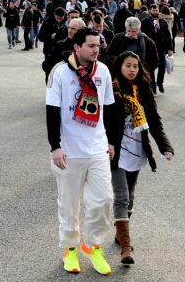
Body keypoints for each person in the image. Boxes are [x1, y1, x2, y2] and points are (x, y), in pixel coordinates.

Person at [46, 27, 115, 275]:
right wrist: (55, 146)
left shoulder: (103, 71)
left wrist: (111, 141)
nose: (97, 50)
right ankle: (70, 249)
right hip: (69, 150)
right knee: (69, 204)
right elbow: (52, 111)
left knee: (104, 200)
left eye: (98, 46)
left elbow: (110, 108)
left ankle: (92, 245)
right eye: (91, 46)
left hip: (97, 148)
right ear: (77, 47)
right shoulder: (60, 72)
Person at [103, 51, 174, 266]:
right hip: (116, 151)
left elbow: (154, 121)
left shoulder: (144, 90)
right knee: (122, 196)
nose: (132, 69)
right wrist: (107, 142)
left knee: (131, 195)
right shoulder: (111, 89)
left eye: (135, 66)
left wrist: (165, 146)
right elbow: (103, 120)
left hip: (136, 149)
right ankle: (125, 247)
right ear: (120, 66)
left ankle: (119, 233)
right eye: (128, 65)